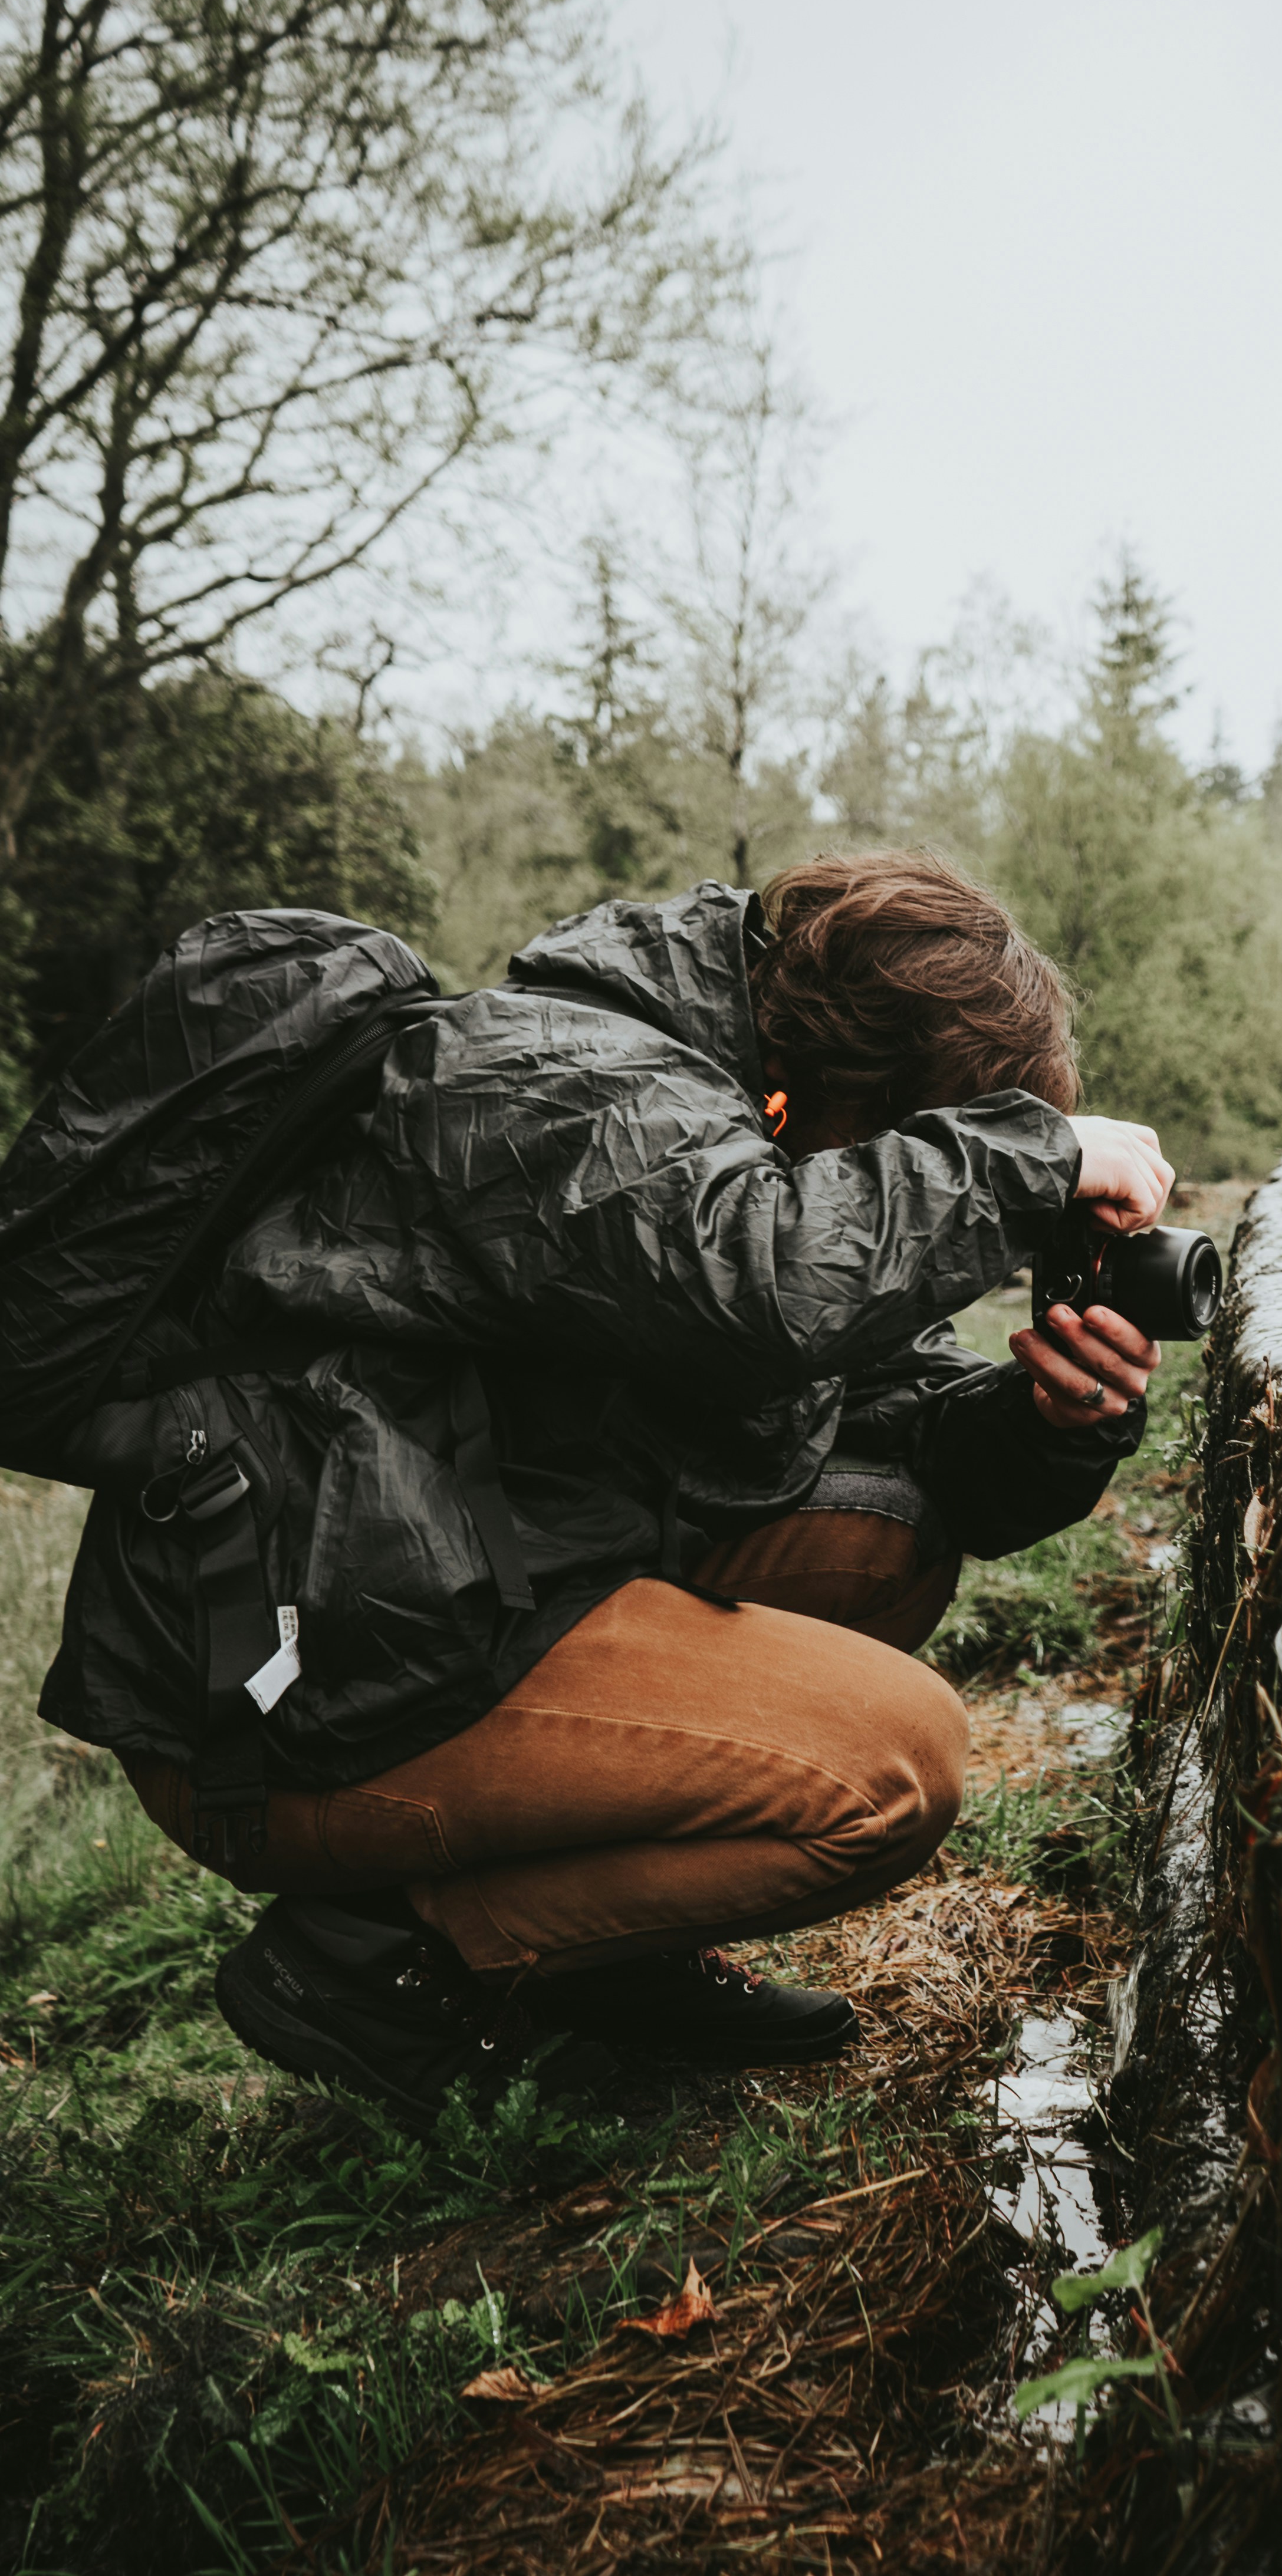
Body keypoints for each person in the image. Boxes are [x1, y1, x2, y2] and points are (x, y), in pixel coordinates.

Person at [37, 852, 1174, 2122]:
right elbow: (772, 1280)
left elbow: (881, 1401)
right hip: (292, 1697)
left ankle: (598, 1961)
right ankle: (375, 1958)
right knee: (897, 1768)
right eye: (934, 1137)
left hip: (449, 1595)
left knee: (888, 1535)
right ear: (868, 1082)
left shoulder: (723, 1115)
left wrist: (1048, 1420)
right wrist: (1026, 1157)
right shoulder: (550, 1078)